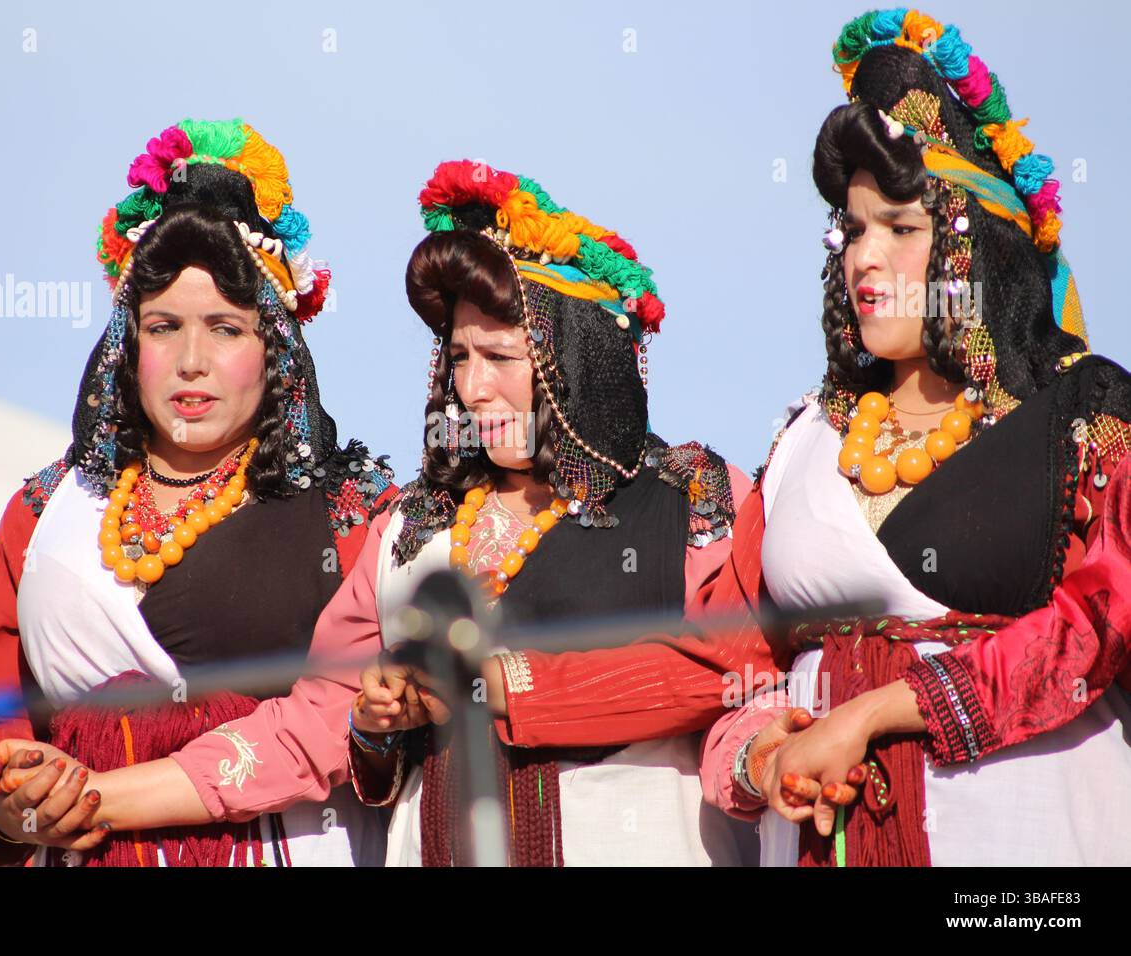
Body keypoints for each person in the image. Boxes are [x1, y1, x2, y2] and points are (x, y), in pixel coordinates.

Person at [698, 10, 1131, 866]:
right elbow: (722, 668)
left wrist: (871, 711)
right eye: (851, 229)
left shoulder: (1086, 415)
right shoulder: (802, 443)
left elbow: (1098, 624)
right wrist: (764, 755)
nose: (865, 258)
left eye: (900, 229)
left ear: (981, 245)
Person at [0, 119, 396, 866]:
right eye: (164, 327)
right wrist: (14, 806)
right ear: (129, 347)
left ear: (276, 348)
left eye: (226, 328)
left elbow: (354, 723)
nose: (192, 361)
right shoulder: (43, 512)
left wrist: (100, 789)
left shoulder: (354, 516)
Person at [334, 160, 775, 865]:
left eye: (502, 356)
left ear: (584, 359)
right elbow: (326, 713)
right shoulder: (410, 529)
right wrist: (373, 725)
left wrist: (502, 683)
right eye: (459, 357)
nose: (473, 389)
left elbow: (732, 667)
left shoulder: (688, 498)